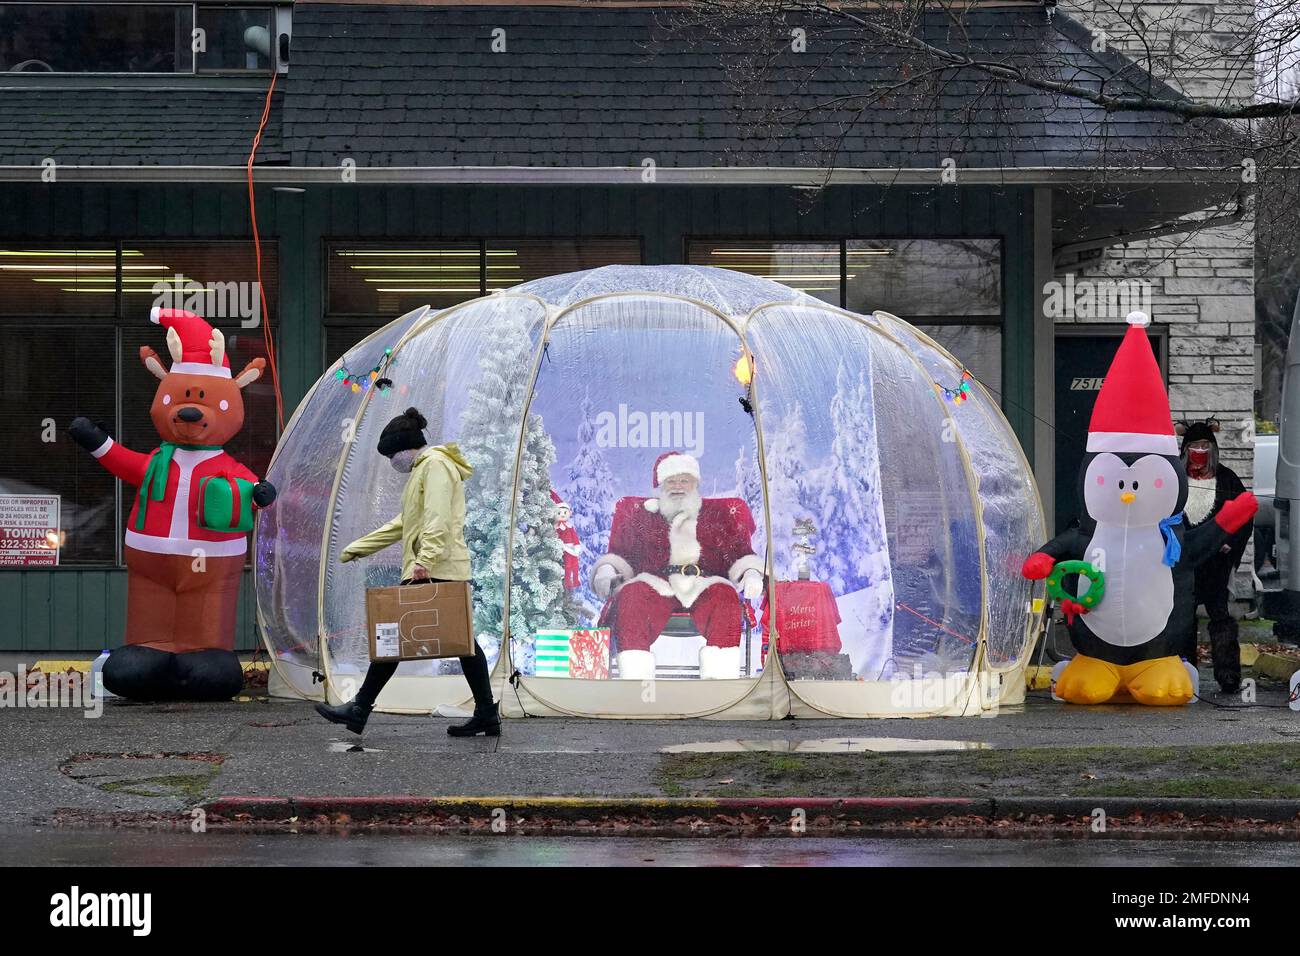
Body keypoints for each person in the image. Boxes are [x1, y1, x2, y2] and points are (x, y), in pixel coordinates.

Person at [314, 407, 498, 736]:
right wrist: (360, 547)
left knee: (394, 635)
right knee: (462, 643)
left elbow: (438, 518)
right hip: (437, 566)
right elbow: (405, 523)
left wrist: (424, 561)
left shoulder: (436, 466)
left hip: (435, 567)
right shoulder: (424, 470)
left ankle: (359, 709)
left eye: (391, 455)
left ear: (405, 447)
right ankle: (486, 713)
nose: (391, 463)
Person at [591, 451, 764, 680]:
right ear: (661, 485)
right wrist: (606, 571)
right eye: (671, 481)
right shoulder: (643, 517)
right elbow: (623, 555)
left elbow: (738, 554)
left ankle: (720, 683)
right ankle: (636, 683)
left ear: (695, 483)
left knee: (724, 596)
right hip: (655, 583)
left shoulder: (716, 517)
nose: (678, 487)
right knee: (631, 595)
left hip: (704, 583)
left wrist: (751, 573)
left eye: (684, 480)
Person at [1178, 419, 1253, 693]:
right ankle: (1184, 671)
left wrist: (1230, 544)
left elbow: (1245, 514)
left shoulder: (1228, 479)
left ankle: (1229, 674)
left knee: (1221, 617)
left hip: (1216, 563)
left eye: (1204, 446)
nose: (1199, 451)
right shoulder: (1173, 478)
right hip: (1185, 562)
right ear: (1185, 449)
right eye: (1194, 445)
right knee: (1183, 616)